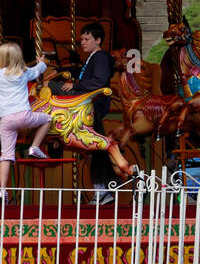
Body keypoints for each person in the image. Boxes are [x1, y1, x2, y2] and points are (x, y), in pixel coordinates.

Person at [61, 22, 115, 206]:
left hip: (93, 106)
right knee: (89, 150)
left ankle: (103, 190)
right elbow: (84, 73)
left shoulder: (100, 57)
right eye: (81, 39)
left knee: (93, 149)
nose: (82, 42)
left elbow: (99, 80)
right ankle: (101, 190)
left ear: (98, 40)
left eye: (86, 39)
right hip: (87, 106)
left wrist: (75, 85)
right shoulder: (93, 57)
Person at [0, 42, 51, 201]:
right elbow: (39, 70)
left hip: (6, 120)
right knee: (48, 118)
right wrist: (42, 61)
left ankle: (2, 190)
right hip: (23, 116)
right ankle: (34, 147)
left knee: (6, 155)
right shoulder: (23, 72)